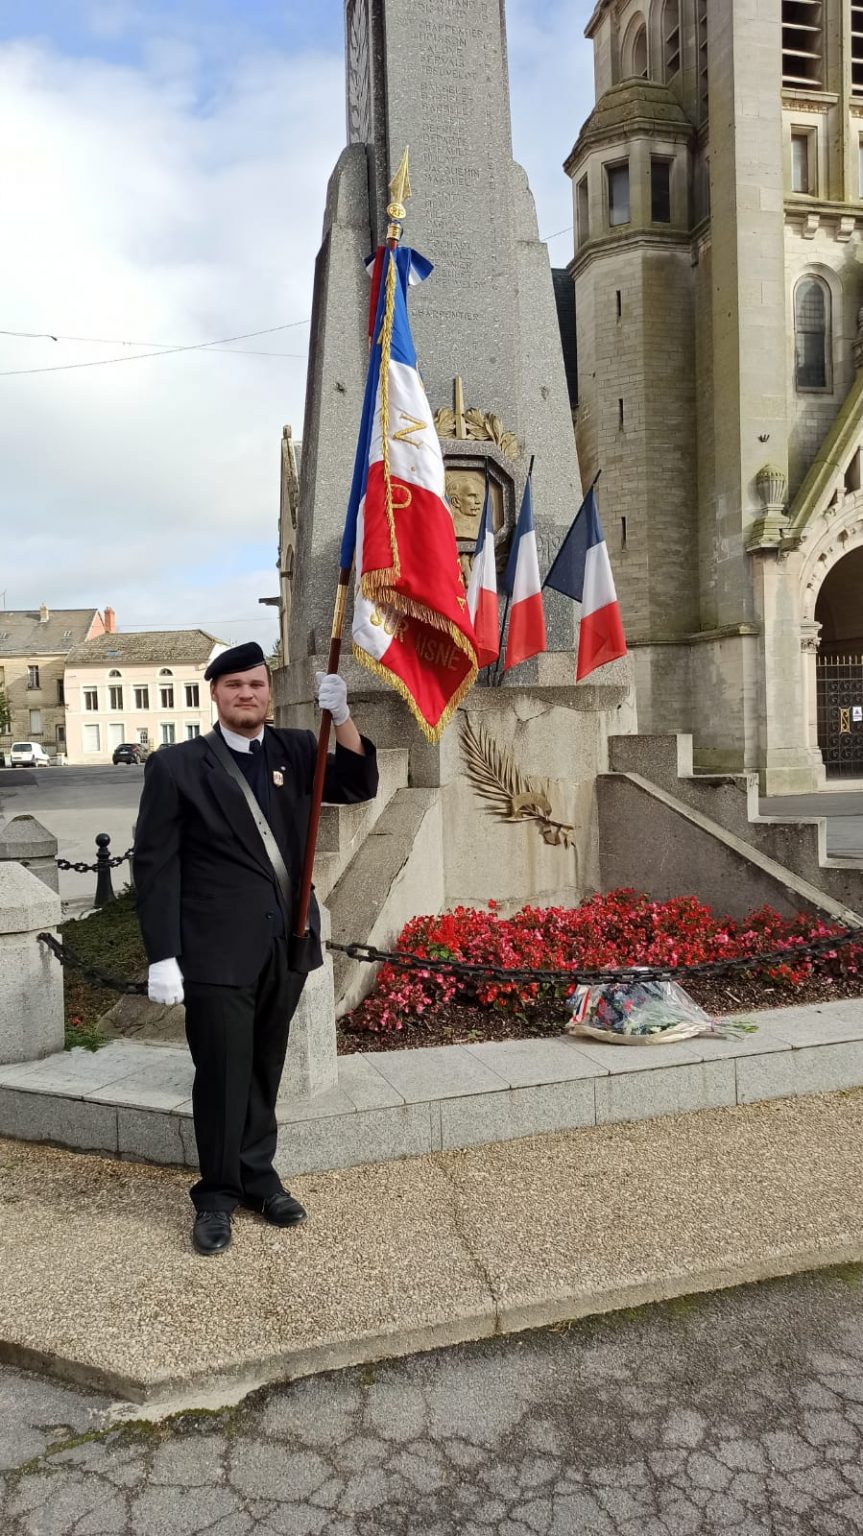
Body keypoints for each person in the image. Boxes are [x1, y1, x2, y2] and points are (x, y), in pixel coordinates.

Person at [132, 641, 378, 1256]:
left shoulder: (297, 749)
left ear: (269, 694)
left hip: (287, 941)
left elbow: (357, 783)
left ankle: (257, 1178)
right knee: (221, 1074)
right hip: (214, 951)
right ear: (214, 694)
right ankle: (216, 1193)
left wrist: (343, 716)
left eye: (257, 685)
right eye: (235, 685)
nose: (248, 694)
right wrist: (163, 953)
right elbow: (156, 866)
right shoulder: (178, 766)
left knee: (265, 1066)